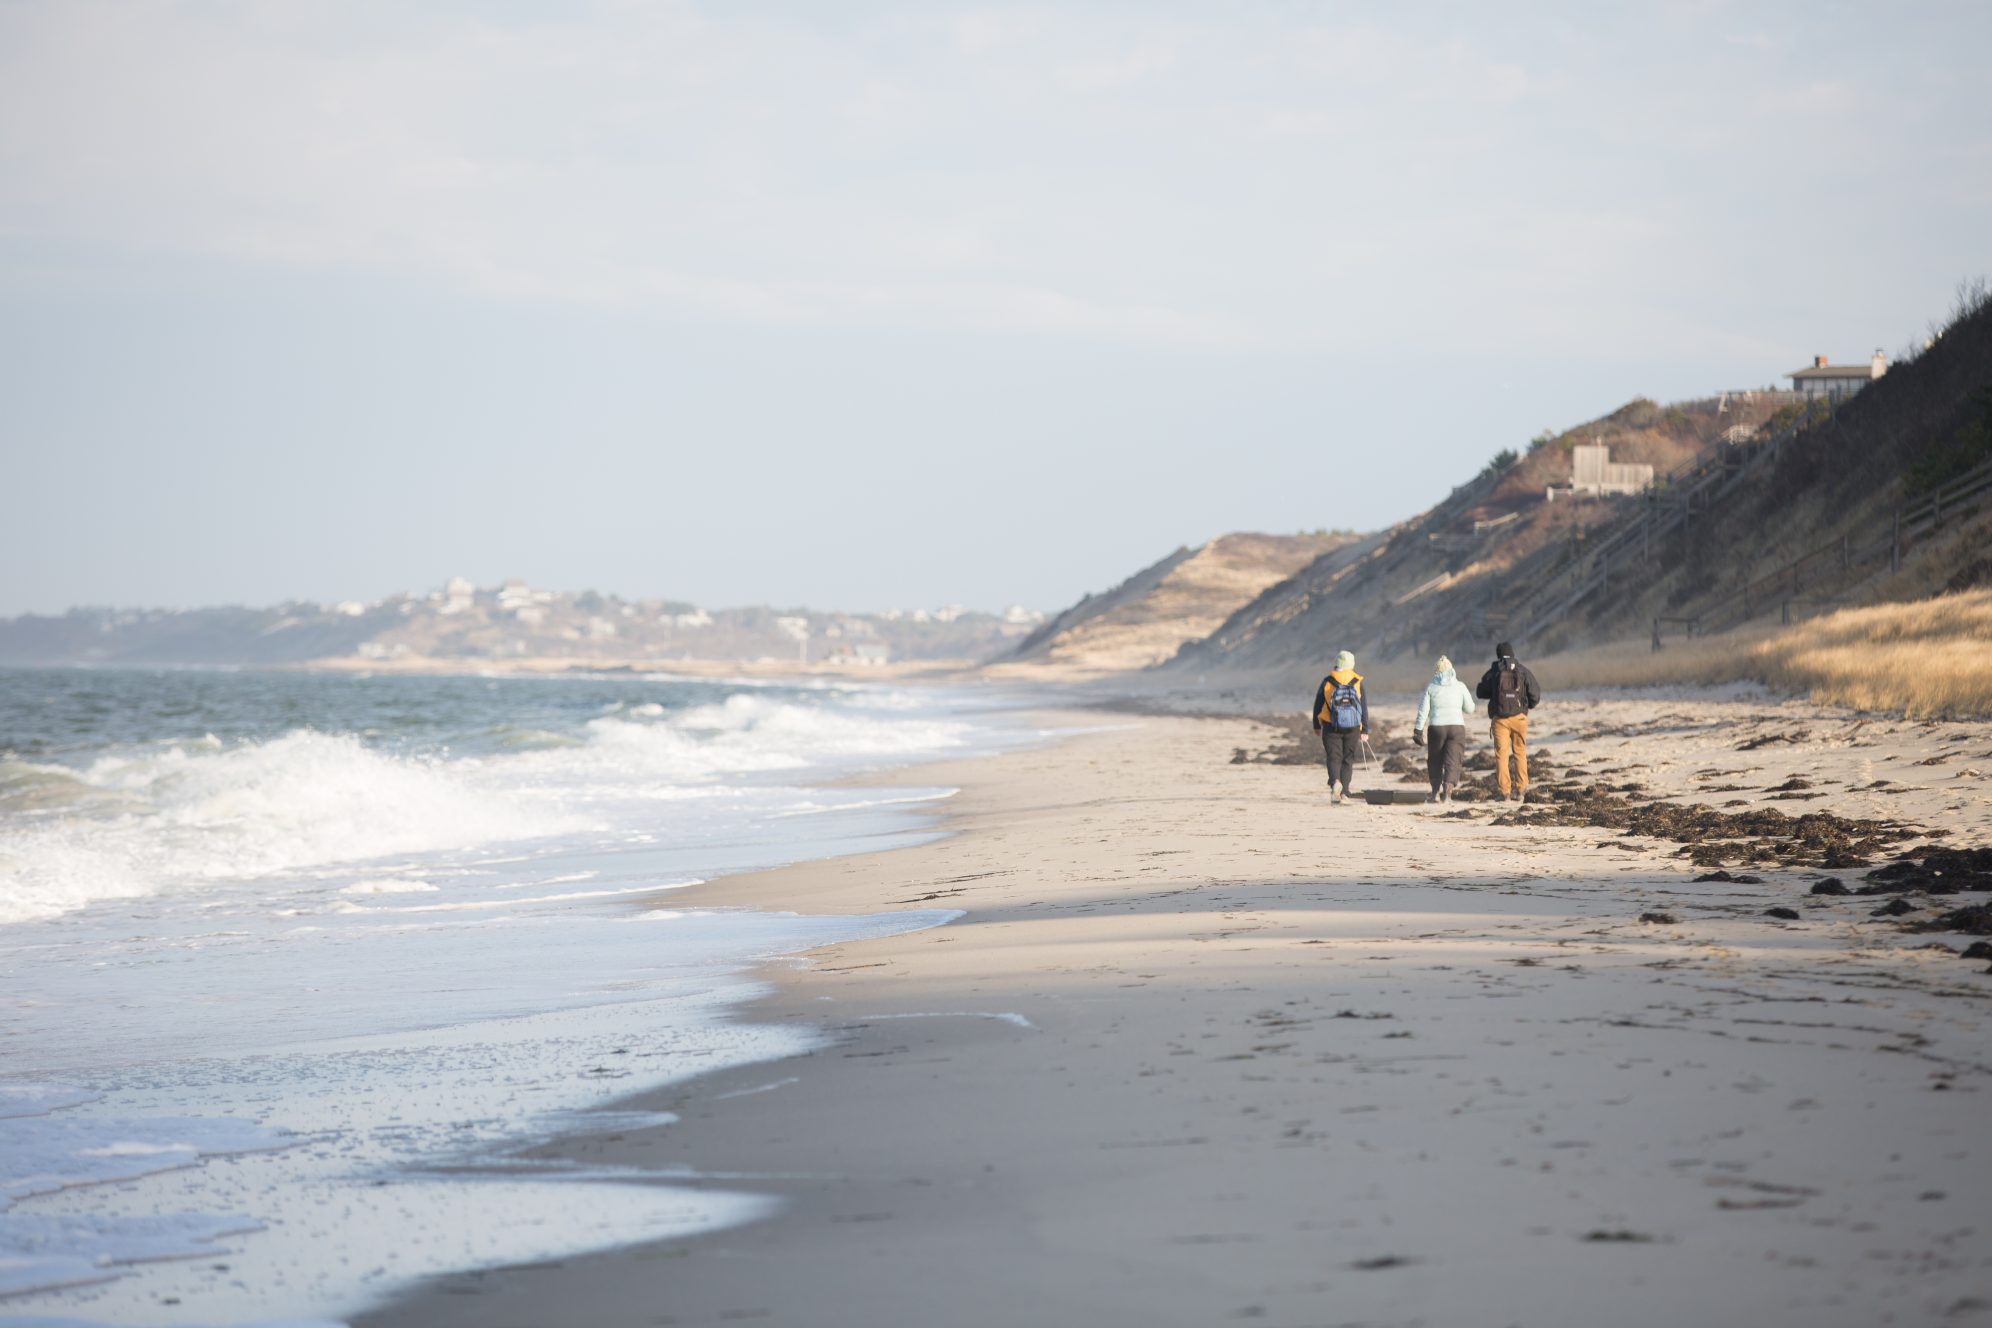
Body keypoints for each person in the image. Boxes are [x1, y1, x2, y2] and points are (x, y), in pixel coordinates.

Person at [1474, 640, 1541, 802]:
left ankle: (1504, 793)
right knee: (1520, 752)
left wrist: (1494, 693)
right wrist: (1527, 707)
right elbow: (1535, 694)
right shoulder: (1522, 670)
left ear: (1498, 655)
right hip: (1519, 718)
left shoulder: (1494, 671)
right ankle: (1521, 790)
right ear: (1512, 653)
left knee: (1501, 756)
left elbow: (1480, 692)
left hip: (1500, 720)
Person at [1411, 655, 1474, 803]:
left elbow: (1423, 711)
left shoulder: (1431, 687)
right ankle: (1448, 792)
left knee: (1435, 759)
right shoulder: (1460, 686)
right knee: (1454, 760)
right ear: (1452, 670)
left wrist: (1418, 730)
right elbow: (1470, 708)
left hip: (1436, 727)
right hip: (1457, 727)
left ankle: (1434, 793)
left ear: (1436, 671)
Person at [1310, 650, 1368, 805]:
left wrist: (1316, 725)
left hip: (1331, 725)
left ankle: (1335, 782)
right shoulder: (1356, 681)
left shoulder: (1328, 681)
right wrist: (1365, 729)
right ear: (1351, 664)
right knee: (1347, 759)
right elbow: (1363, 707)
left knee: (1333, 757)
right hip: (1353, 726)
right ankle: (1344, 792)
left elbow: (1318, 704)